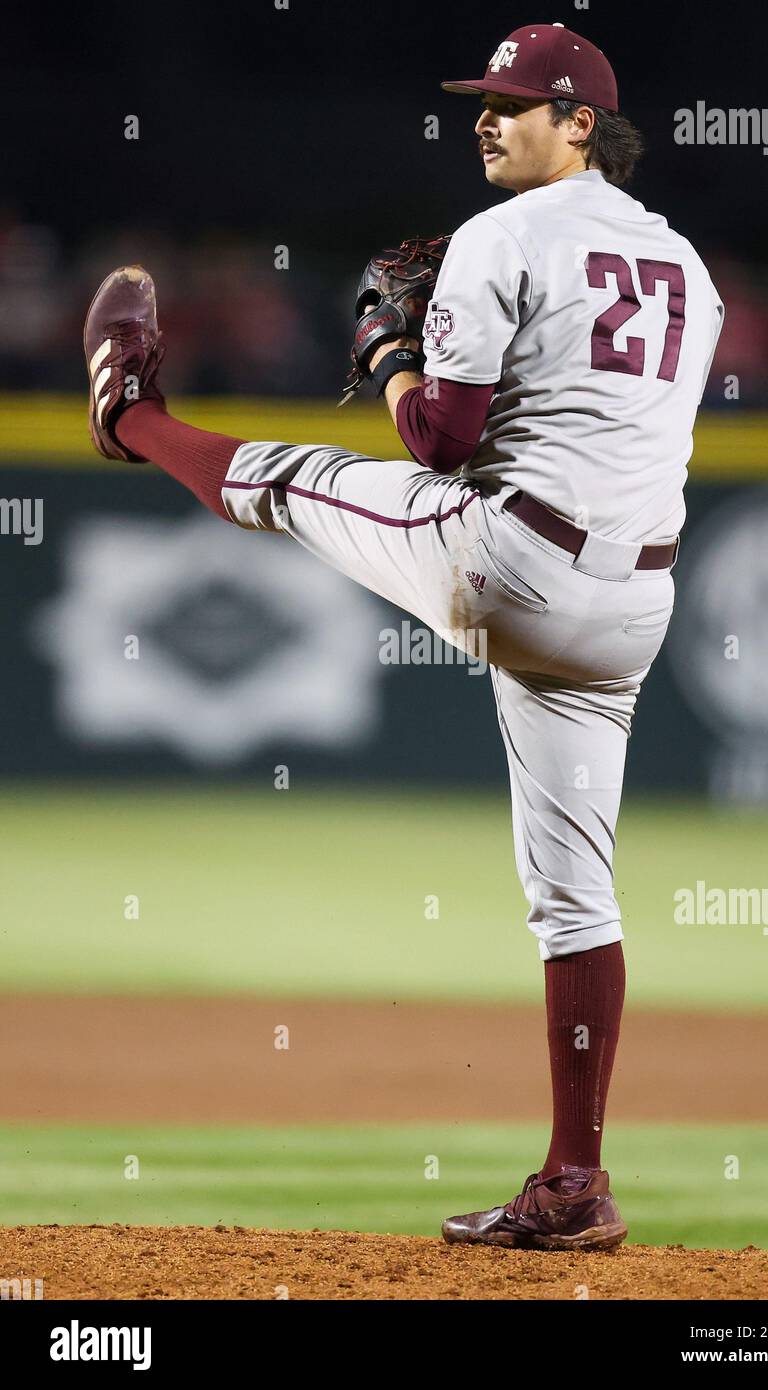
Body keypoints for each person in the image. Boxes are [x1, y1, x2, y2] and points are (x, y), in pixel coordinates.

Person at [84, 23, 724, 1251]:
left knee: (287, 475)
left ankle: (129, 416)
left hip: (511, 561)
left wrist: (385, 348)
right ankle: (573, 1180)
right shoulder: (686, 266)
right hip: (633, 605)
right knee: (574, 899)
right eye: (478, 103)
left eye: (510, 104)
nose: (482, 119)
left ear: (580, 120)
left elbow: (435, 440)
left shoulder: (501, 237)